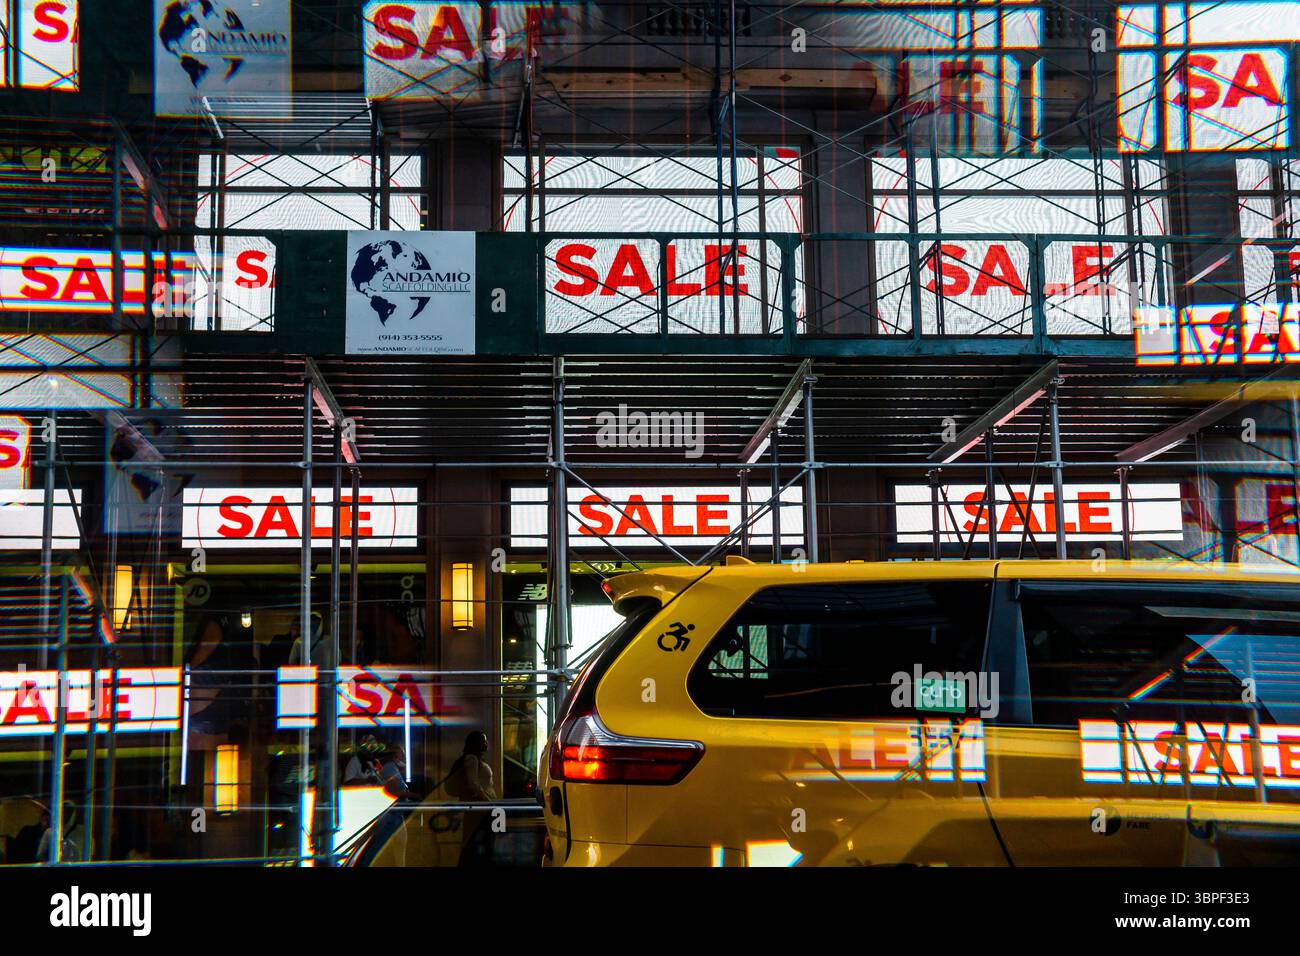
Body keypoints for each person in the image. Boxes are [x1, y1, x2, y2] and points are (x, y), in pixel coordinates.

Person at [444, 731, 496, 867]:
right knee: (477, 844)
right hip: (480, 811)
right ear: (477, 743)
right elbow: (473, 784)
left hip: (481, 810)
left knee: (475, 843)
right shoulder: (471, 759)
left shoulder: (476, 759)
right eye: (484, 740)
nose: (486, 743)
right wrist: (490, 804)